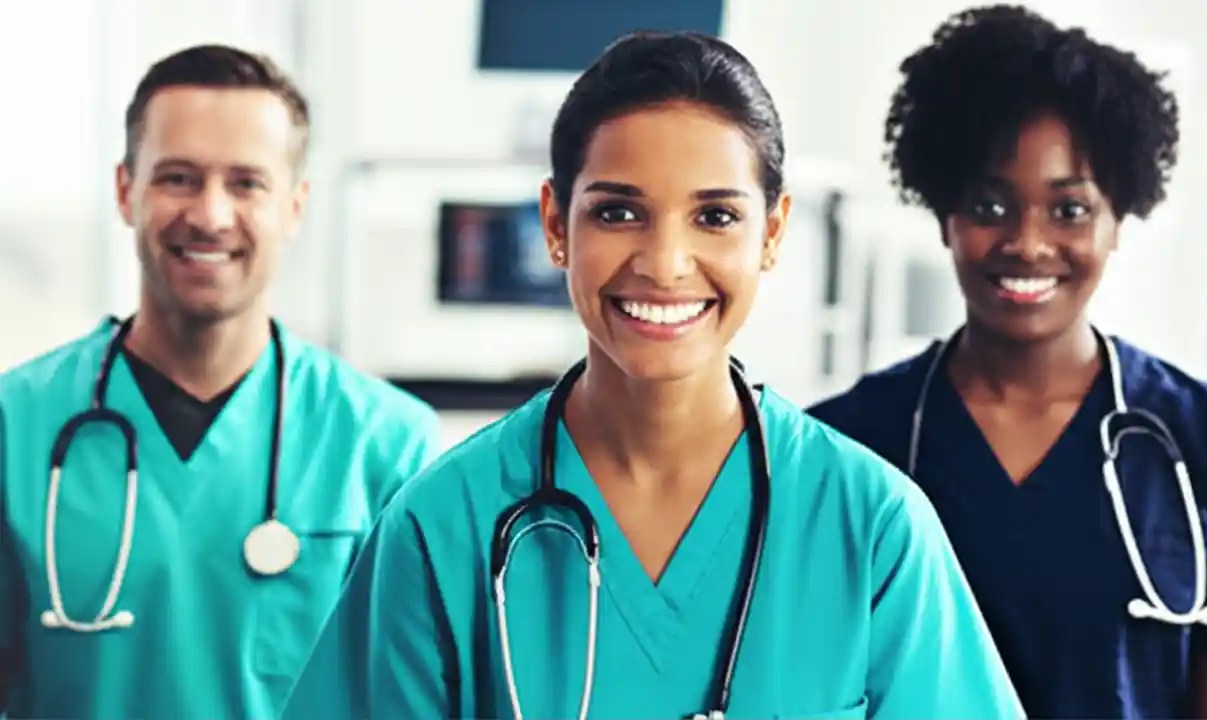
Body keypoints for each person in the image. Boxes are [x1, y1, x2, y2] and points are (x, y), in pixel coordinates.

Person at [282, 30, 1023, 720]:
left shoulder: (869, 526)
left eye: (715, 217)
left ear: (771, 233)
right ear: (554, 225)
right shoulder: (445, 524)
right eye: (617, 212)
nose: (665, 263)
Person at [808, 5, 1207, 718]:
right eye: (990, 205)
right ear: (945, 217)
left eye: (1069, 210)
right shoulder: (849, 447)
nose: (1028, 244)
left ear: (1119, 219)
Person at [0, 44, 442, 719]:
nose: (209, 215)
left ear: (294, 205)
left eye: (246, 182)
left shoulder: (386, 444)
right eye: (178, 177)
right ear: (126, 191)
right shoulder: (15, 423)